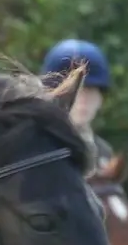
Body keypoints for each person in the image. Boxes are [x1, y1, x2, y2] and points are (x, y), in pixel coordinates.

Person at [40, 38, 114, 170]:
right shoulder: (36, 147)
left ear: (101, 99)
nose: (83, 100)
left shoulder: (104, 153)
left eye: (90, 91)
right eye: (75, 92)